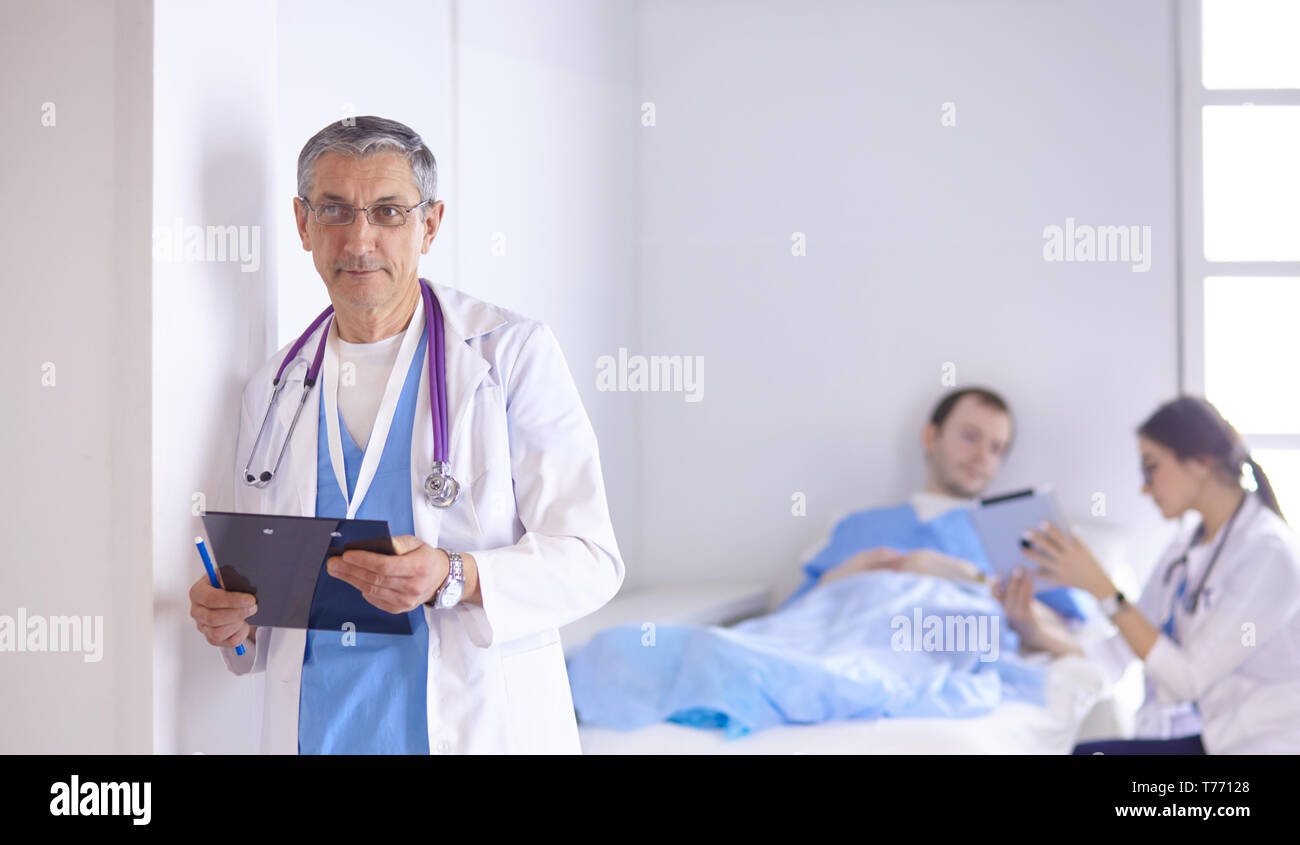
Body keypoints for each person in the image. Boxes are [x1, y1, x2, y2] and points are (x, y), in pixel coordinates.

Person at [187, 116, 624, 754]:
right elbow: (265, 596)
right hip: (317, 731)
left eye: (388, 211)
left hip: (469, 725)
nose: (359, 240)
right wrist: (232, 621)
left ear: (431, 223)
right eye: (334, 210)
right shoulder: (273, 388)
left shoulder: (509, 356)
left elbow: (591, 558)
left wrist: (454, 575)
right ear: (303, 224)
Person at [996, 396, 1300, 754]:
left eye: (1151, 467)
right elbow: (1116, 653)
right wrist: (1028, 624)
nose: (1144, 487)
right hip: (1216, 741)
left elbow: (1189, 680)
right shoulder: (1184, 551)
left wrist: (1102, 587)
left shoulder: (1268, 553)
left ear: (1201, 461)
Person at [782, 387, 1090, 636]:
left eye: (996, 448)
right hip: (838, 642)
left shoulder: (1019, 539)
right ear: (931, 437)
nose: (981, 456)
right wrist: (848, 573)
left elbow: (1074, 637)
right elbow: (792, 619)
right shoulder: (859, 527)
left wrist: (973, 580)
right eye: (970, 437)